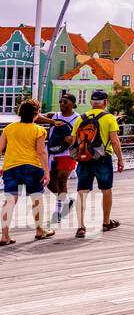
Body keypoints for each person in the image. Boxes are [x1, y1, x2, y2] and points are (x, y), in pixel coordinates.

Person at [71, 89, 125, 239]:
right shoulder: (109, 118)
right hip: (102, 158)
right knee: (106, 190)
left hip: (84, 157)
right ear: (105, 102)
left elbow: (75, 141)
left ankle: (81, 226)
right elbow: (114, 141)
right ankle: (106, 222)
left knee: (82, 192)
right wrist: (120, 159)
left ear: (91, 103)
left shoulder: (80, 118)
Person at [1, 99, 53, 245]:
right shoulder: (38, 130)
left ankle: (4, 236)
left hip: (11, 168)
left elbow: (0, 148)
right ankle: (39, 230)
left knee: (10, 201)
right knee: (36, 199)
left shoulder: (9, 129)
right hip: (32, 167)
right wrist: (47, 172)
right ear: (36, 114)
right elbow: (42, 152)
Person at [36, 93, 79, 224]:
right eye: (60, 101)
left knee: (61, 179)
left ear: (73, 104)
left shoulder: (78, 119)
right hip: (52, 151)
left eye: (65, 102)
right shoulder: (54, 115)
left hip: (68, 152)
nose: (62, 104)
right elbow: (36, 117)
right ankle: (66, 200)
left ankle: (58, 212)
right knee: (48, 182)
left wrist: (73, 139)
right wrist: (52, 122)